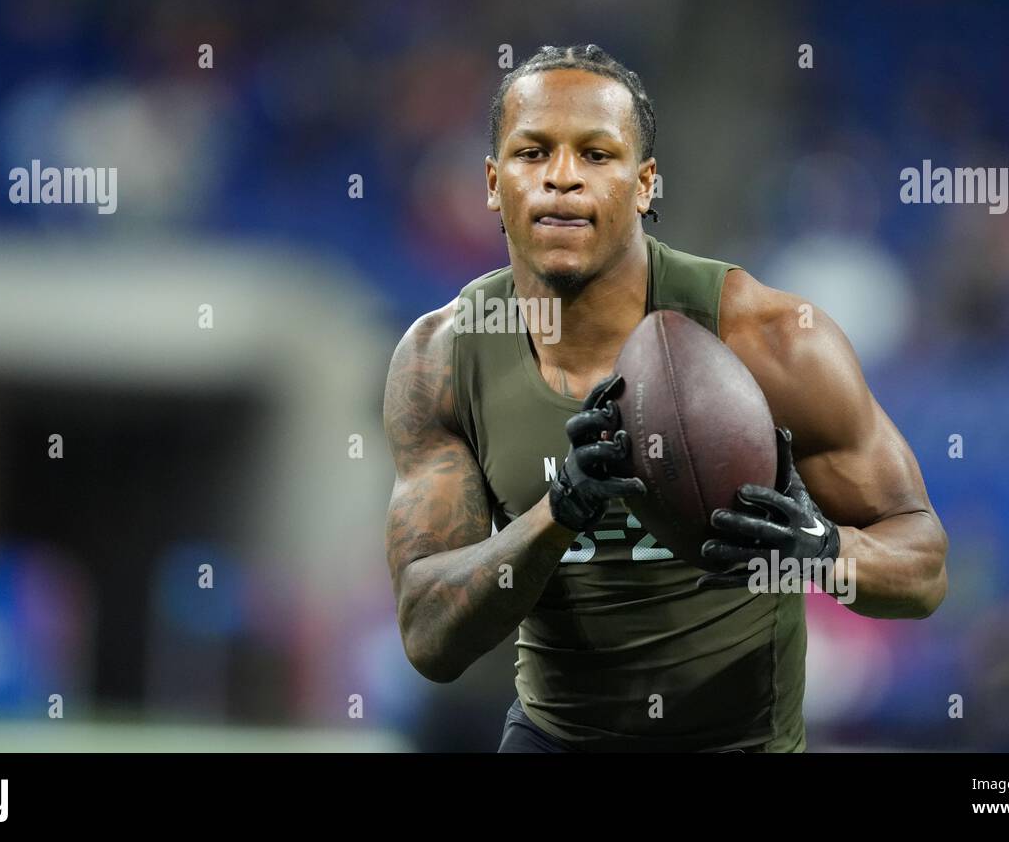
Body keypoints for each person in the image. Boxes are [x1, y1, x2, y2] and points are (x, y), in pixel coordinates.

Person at [383, 44, 948, 752]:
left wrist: (823, 551)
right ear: (494, 184)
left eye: (596, 154)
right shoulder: (443, 356)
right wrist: (558, 514)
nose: (562, 178)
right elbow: (429, 636)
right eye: (533, 154)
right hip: (555, 737)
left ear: (646, 184)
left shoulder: (771, 338)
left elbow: (924, 569)